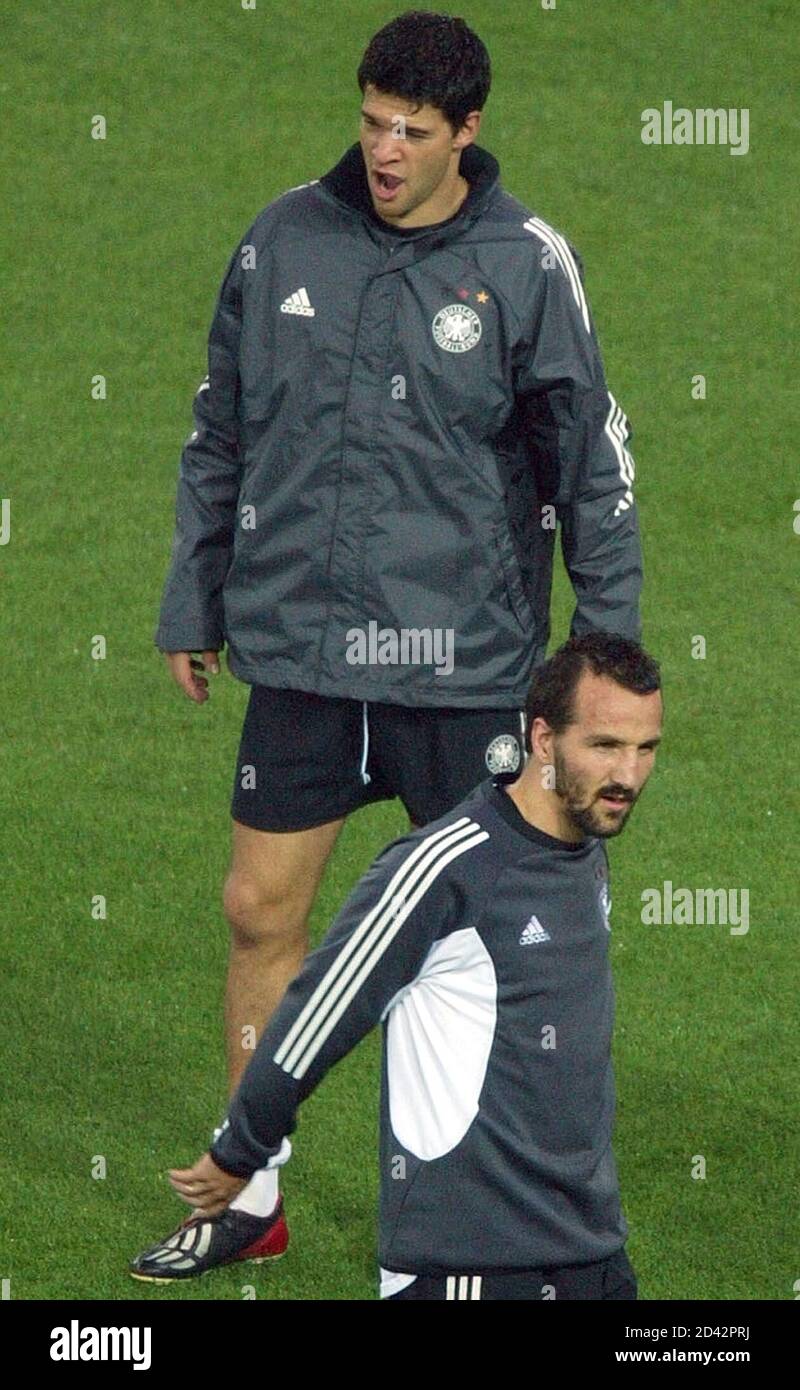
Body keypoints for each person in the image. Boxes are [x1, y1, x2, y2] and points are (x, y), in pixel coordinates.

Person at [152, 11, 643, 1270]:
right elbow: (221, 430)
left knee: (490, 943)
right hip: (306, 663)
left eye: (410, 131)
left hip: (464, 671)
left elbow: (589, 469)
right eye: (371, 119)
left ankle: (504, 1221)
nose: (382, 147)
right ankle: (247, 1201)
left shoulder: (525, 264)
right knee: (259, 911)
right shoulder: (281, 237)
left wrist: (604, 655)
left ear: (464, 132)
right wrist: (193, 598)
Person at [131, 632, 662, 1298]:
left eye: (646, 749)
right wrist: (243, 1149)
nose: (629, 776)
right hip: (465, 1268)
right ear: (543, 740)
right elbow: (318, 1013)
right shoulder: (443, 868)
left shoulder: (585, 851)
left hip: (593, 1253)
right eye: (606, 746)